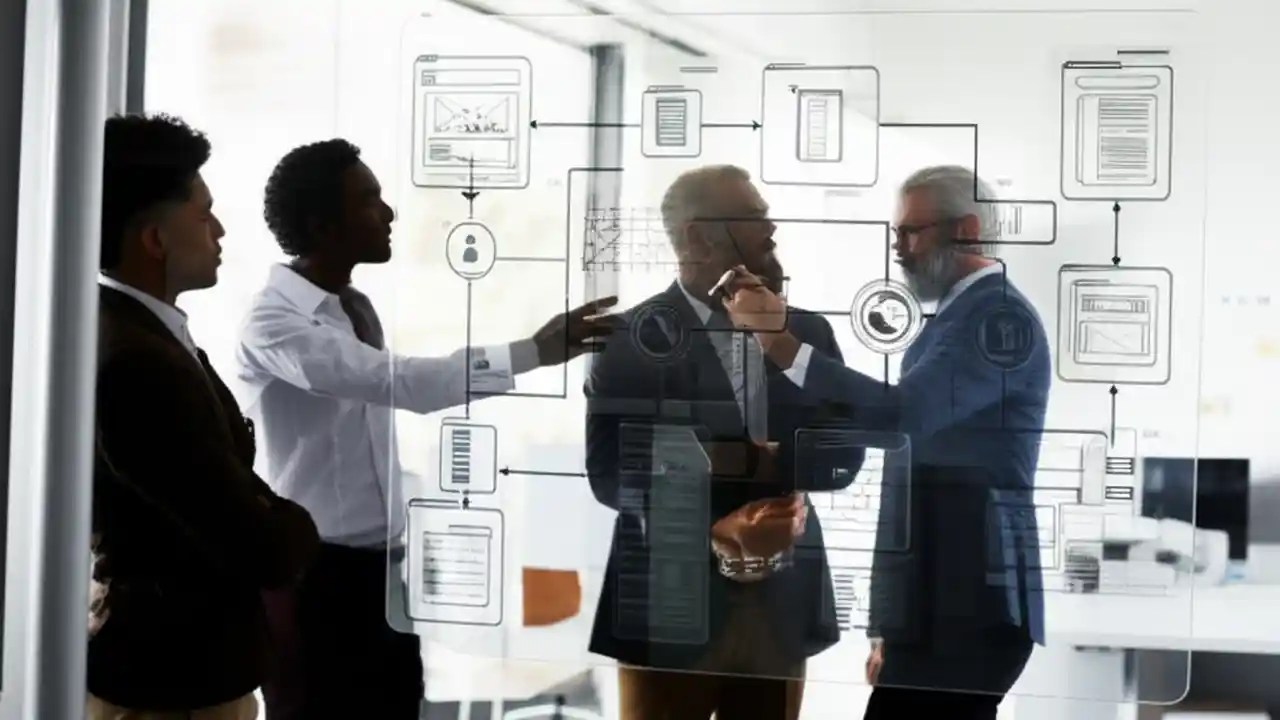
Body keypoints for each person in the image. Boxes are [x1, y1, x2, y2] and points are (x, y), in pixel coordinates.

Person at [233, 138, 616, 720]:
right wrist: (532, 352)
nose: (387, 213)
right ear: (322, 225)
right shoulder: (273, 322)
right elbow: (399, 383)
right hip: (315, 576)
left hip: (383, 571)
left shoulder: (352, 305)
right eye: (369, 200)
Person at [721, 164, 1050, 720]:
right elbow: (902, 458)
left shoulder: (996, 318)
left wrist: (779, 343)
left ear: (966, 230)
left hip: (966, 607)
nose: (899, 250)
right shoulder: (957, 316)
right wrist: (887, 624)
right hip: (935, 607)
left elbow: (902, 417)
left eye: (910, 232)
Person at [584, 164, 864, 720]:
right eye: (755, 217)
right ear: (698, 236)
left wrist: (770, 463)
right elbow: (611, 473)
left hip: (781, 611)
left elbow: (845, 456)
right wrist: (706, 524)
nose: (772, 229)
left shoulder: (807, 332)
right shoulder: (626, 340)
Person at [89, 113, 320, 720]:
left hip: (175, 673)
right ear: (156, 240)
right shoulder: (139, 363)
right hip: (172, 686)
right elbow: (262, 544)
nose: (218, 230)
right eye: (203, 213)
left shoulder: (133, 332)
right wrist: (298, 521)